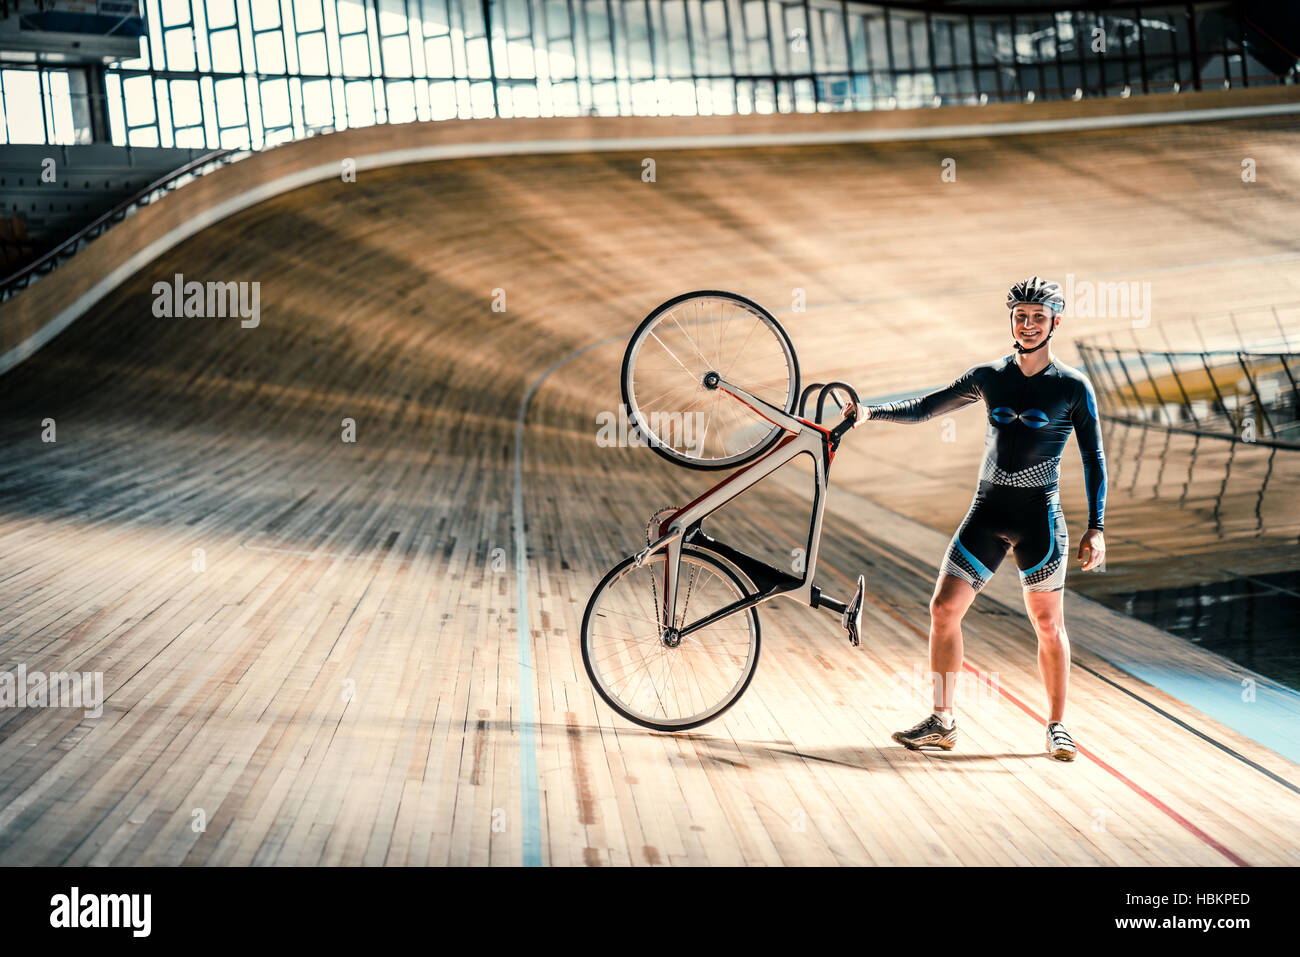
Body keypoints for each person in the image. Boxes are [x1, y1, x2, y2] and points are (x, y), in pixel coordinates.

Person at [856, 277, 1107, 761]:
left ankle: (1058, 725)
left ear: (1055, 321)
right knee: (943, 609)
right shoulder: (990, 376)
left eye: (1038, 317)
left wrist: (1097, 527)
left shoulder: (1073, 387)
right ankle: (942, 720)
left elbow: (1095, 460)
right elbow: (927, 407)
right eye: (1020, 316)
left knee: (1048, 624)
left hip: (1040, 519)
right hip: (987, 513)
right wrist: (870, 413)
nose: (1028, 325)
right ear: (1011, 321)